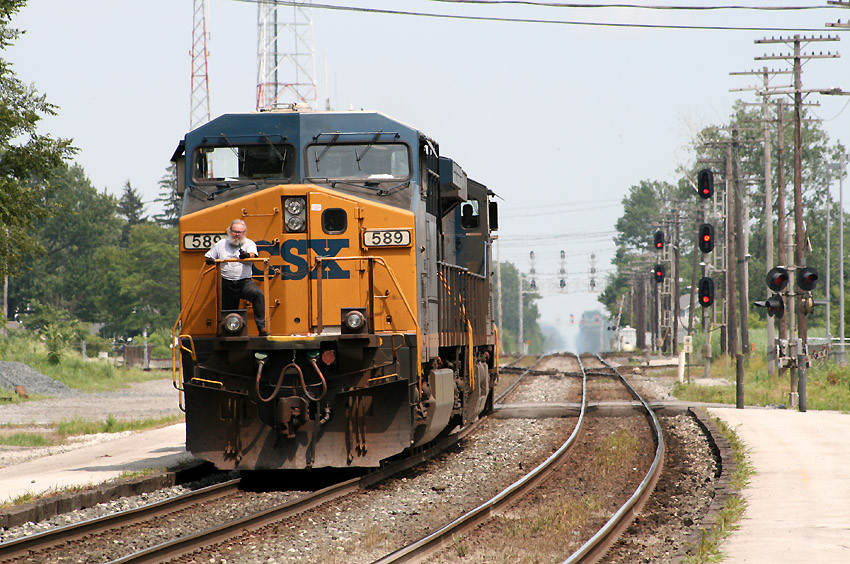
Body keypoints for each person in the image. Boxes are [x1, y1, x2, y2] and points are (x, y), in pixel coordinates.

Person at [205, 219, 268, 336]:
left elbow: (253, 254)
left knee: (258, 294)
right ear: (230, 231)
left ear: (244, 233)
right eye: (235, 232)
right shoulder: (221, 244)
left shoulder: (249, 244)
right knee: (226, 307)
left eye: (240, 232)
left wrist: (246, 255)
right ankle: (225, 331)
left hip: (245, 282)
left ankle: (261, 327)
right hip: (226, 282)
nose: (237, 235)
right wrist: (211, 260)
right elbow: (209, 256)